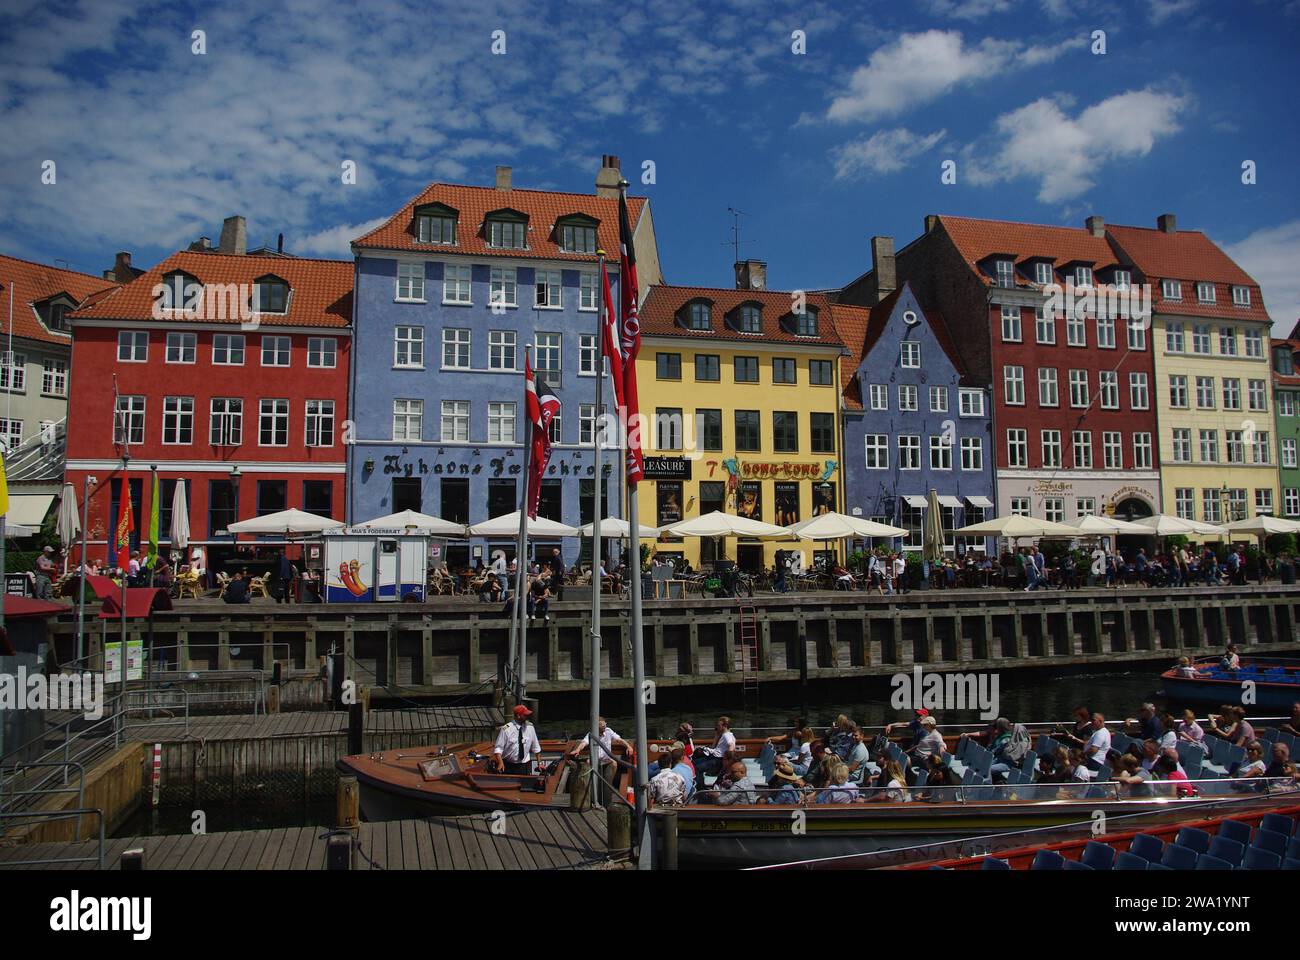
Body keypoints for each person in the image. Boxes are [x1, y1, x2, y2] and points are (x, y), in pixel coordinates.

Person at [569, 717, 630, 788]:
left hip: (606, 759)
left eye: (605, 724)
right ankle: (591, 785)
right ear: (596, 726)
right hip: (595, 759)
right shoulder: (591, 734)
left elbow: (619, 740)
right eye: (601, 725)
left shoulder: (608, 731)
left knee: (614, 764)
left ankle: (608, 784)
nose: (604, 726)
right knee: (588, 763)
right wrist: (577, 750)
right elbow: (584, 743)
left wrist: (628, 746)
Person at [492, 704, 542, 774]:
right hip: (509, 765)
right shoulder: (506, 729)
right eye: (525, 715)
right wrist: (500, 763)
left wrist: (539, 763)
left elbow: (536, 747)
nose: (527, 716)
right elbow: (498, 748)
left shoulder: (530, 727)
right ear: (518, 716)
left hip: (524, 765)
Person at [693, 716, 736, 792]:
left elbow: (731, 746)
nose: (717, 727)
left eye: (719, 725)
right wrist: (717, 735)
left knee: (697, 768)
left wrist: (727, 760)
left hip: (717, 760)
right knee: (694, 763)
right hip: (713, 757)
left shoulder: (727, 735)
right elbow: (713, 747)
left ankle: (700, 789)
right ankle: (700, 785)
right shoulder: (726, 735)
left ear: (725, 726)